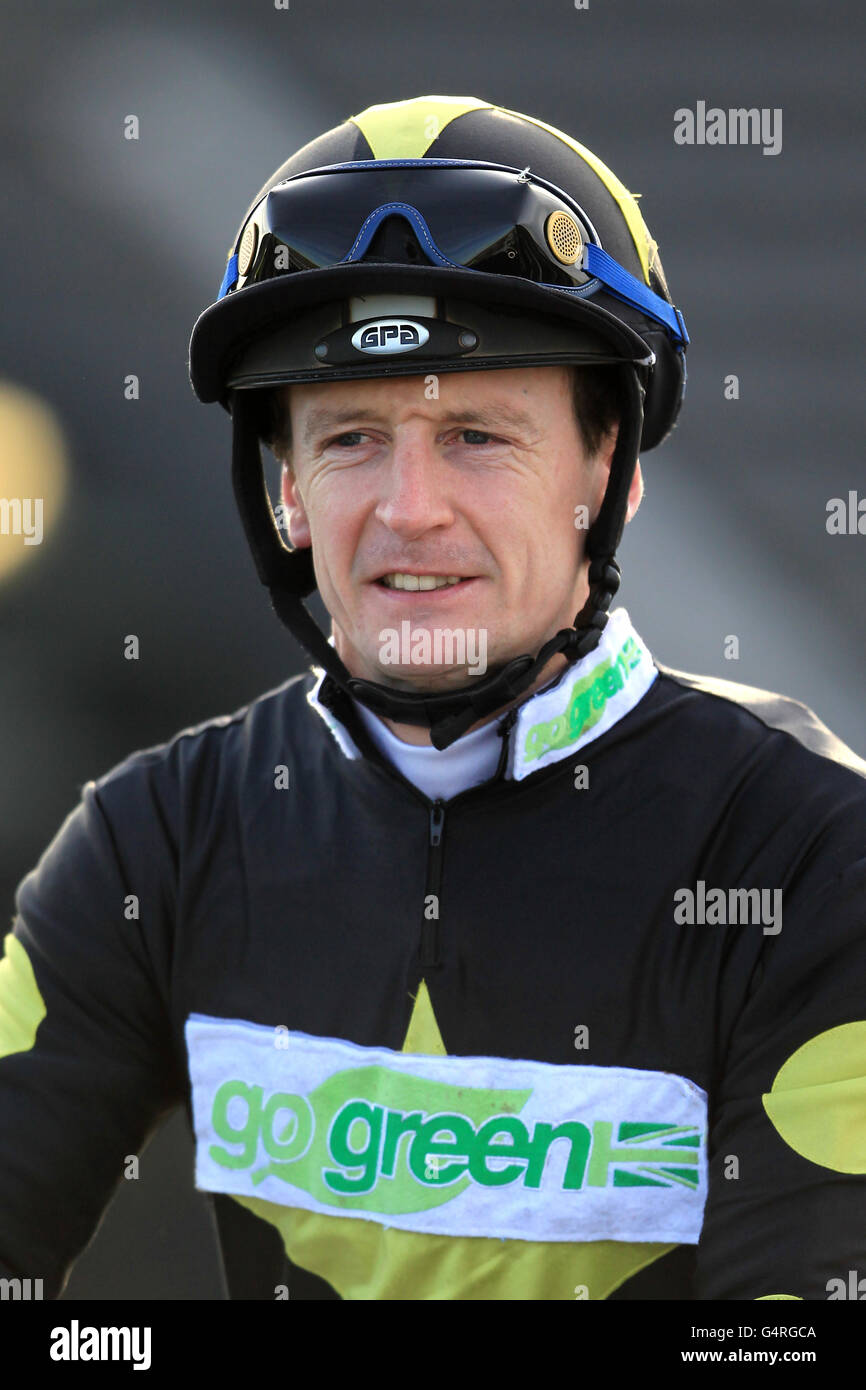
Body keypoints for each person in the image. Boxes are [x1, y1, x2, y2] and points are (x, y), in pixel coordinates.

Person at [2, 94, 865, 1303]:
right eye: (350, 436)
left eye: (476, 436)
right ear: (285, 491)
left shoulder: (817, 854)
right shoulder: (154, 837)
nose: (408, 509)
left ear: (606, 472)